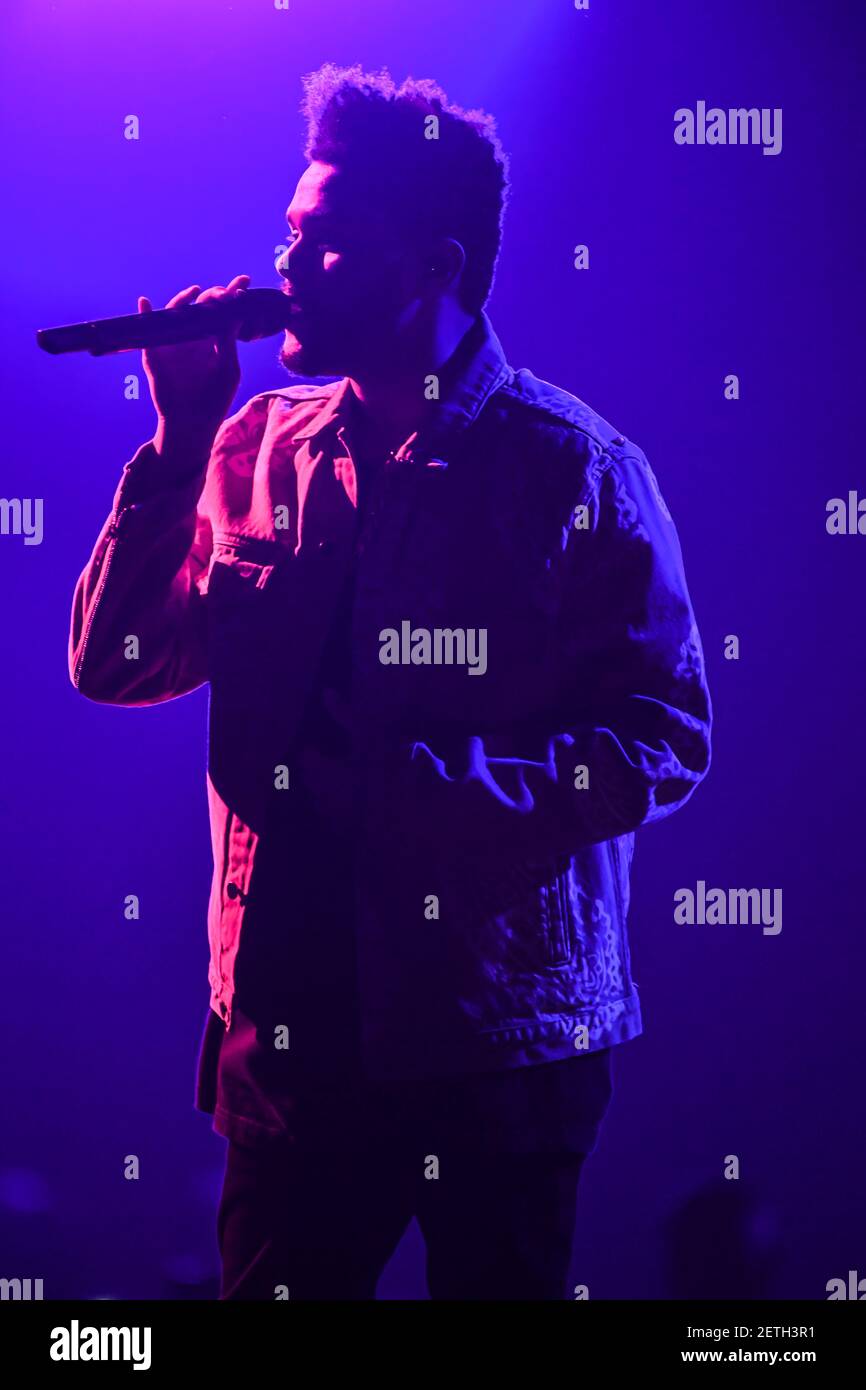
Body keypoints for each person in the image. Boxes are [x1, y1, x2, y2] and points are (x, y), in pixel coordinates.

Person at [68, 63, 712, 1300]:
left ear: (432, 265)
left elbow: (663, 734)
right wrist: (181, 436)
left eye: (327, 245)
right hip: (289, 1047)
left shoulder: (573, 471)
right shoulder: (254, 449)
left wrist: (440, 790)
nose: (287, 268)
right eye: (290, 237)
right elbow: (115, 661)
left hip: (498, 1048)